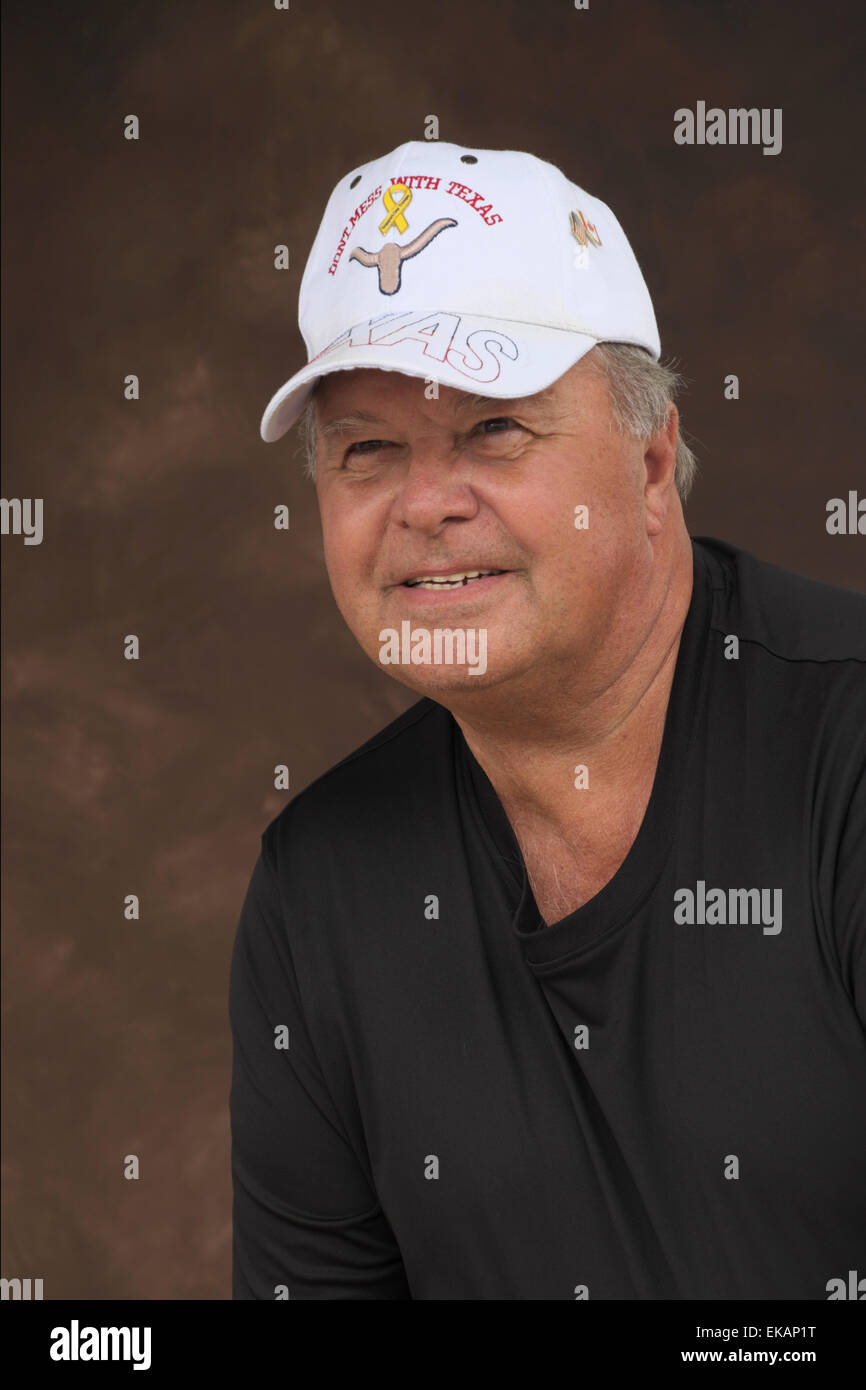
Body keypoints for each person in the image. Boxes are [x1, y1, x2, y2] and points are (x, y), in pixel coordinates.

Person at [229, 140, 866, 1300]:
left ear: (649, 461)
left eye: (494, 430)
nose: (426, 503)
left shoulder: (845, 752)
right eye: (367, 450)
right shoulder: (317, 891)